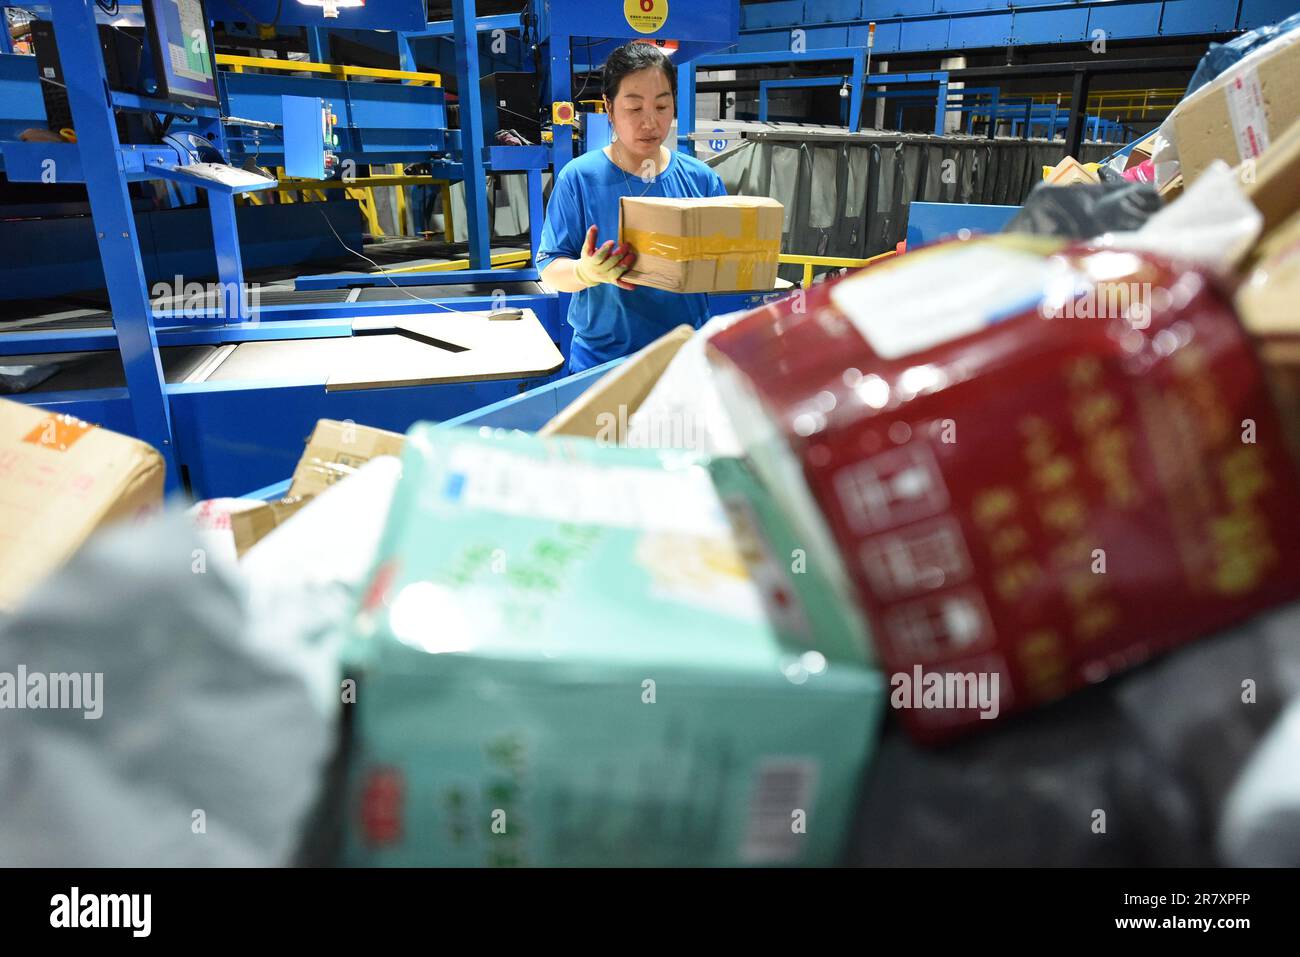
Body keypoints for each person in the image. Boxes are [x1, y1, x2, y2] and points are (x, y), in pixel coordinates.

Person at [537, 42, 728, 374]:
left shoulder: (702, 182)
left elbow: (725, 264)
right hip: (603, 367)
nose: (650, 123)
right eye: (634, 108)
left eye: (662, 106)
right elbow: (550, 267)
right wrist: (585, 273)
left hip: (682, 365)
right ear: (609, 109)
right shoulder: (579, 179)